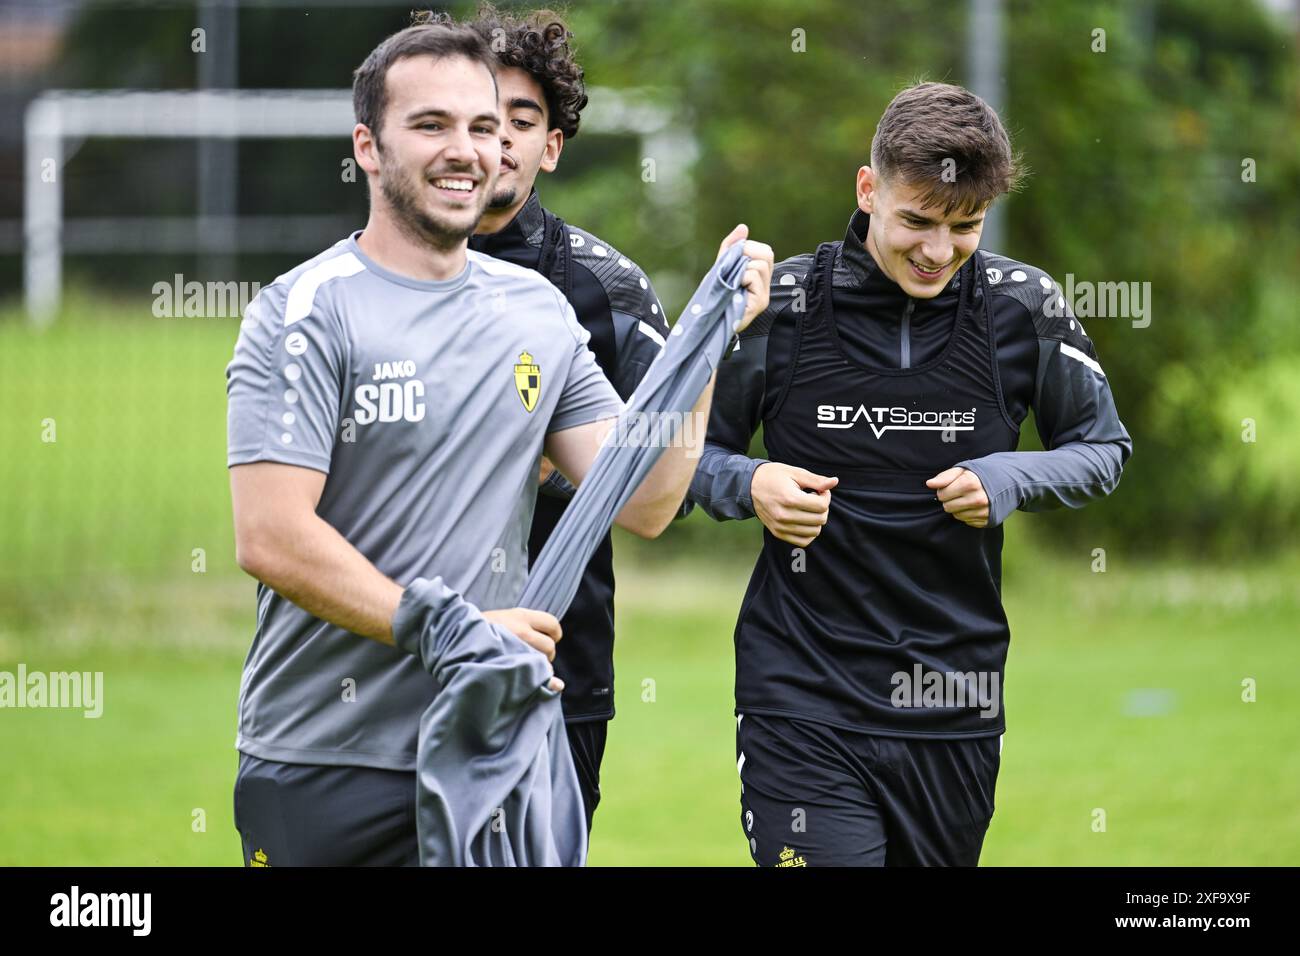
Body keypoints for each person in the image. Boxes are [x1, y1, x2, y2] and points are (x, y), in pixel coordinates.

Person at [225, 18, 772, 866]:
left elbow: (645, 502)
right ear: (368, 146)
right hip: (323, 759)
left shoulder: (536, 311)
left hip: (495, 749)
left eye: (485, 127)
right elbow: (271, 537)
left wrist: (703, 348)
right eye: (432, 125)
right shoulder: (305, 311)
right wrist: (449, 627)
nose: (467, 150)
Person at [689, 81, 1132, 867]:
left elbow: (1103, 449)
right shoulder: (781, 305)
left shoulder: (1023, 308)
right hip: (801, 693)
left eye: (964, 227)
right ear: (868, 189)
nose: (937, 252)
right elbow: (680, 456)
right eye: (916, 222)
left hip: (954, 699)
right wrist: (750, 484)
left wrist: (1011, 477)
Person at [441, 4, 671, 832]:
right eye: (479, 112)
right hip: (390, 665)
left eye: (522, 118)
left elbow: (662, 486)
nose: (496, 137)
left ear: (552, 146)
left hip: (556, 665)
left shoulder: (607, 291)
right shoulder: (367, 279)